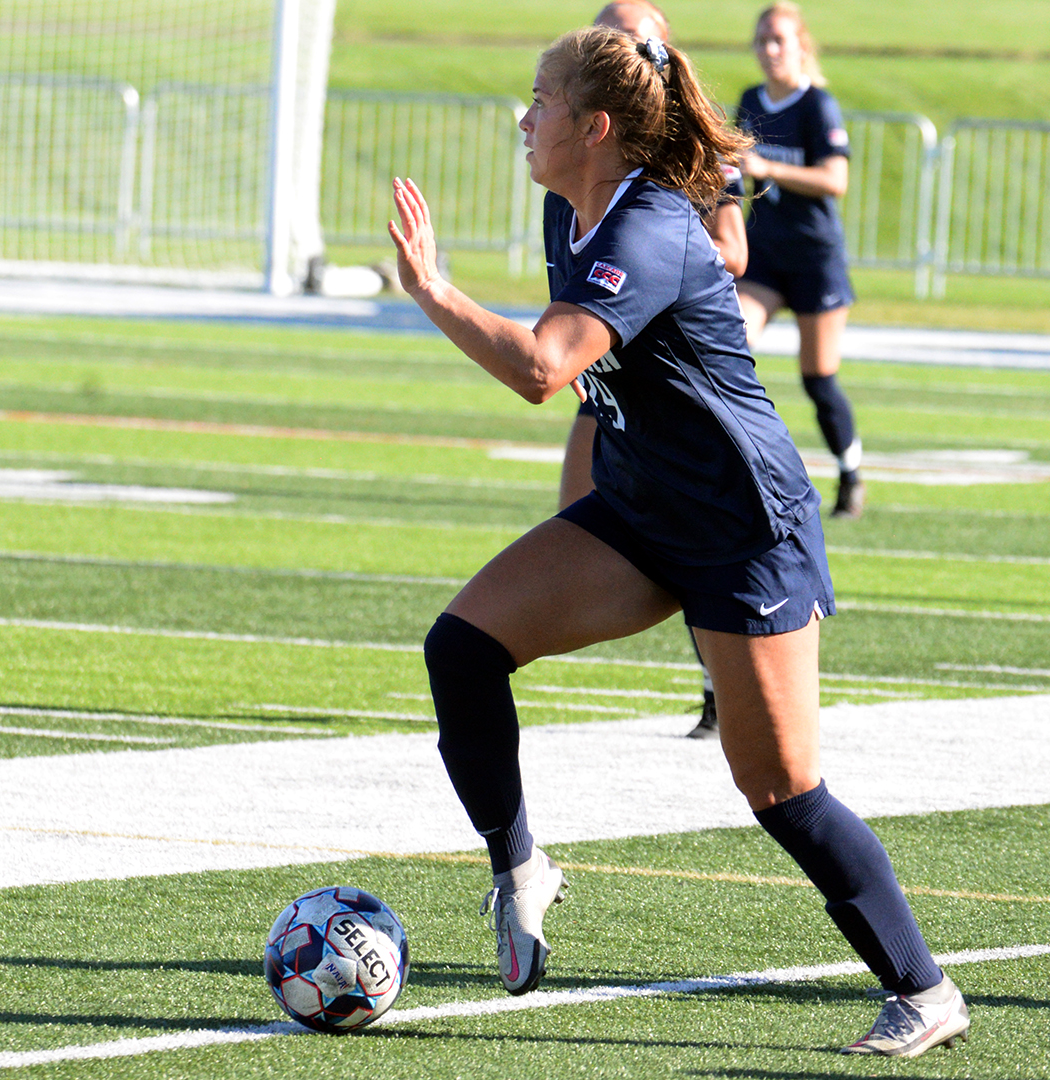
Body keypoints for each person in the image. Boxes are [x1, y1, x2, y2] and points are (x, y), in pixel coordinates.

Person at [387, 26, 969, 1058]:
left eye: (540, 101)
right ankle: (521, 869)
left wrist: (434, 290)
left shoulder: (651, 226)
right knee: (462, 648)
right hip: (642, 511)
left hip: (743, 528)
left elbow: (543, 369)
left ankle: (924, 991)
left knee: (781, 791)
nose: (523, 117)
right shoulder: (570, 209)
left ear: (594, 127)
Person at [564, 1, 748, 741]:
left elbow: (733, 252)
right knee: (580, 521)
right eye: (601, 30)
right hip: (609, 364)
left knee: (685, 533)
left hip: (668, 369)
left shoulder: (691, 150)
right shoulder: (579, 155)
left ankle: (718, 674)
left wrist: (658, 258)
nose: (611, 42)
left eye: (626, 34)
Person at [735, 2, 866, 521]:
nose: (769, 50)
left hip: (814, 258)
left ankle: (850, 472)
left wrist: (768, 168)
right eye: (762, 40)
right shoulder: (751, 101)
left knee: (818, 379)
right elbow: (735, 168)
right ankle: (743, 472)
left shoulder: (817, 105)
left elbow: (836, 180)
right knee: (730, 348)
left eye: (779, 40)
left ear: (800, 46)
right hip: (763, 257)